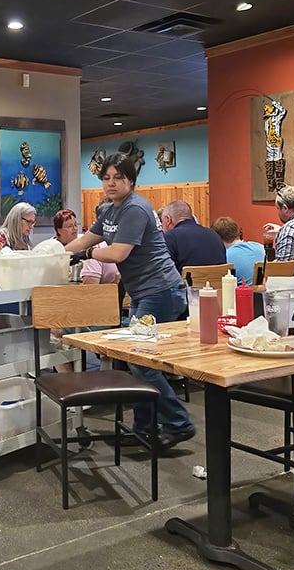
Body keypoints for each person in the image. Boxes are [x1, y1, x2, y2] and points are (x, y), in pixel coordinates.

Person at [64, 153, 195, 450]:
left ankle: (178, 423)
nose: (111, 183)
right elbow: (86, 239)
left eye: (118, 177)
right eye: (106, 178)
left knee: (142, 362)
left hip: (160, 291)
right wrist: (53, 253)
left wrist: (84, 256)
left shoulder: (135, 208)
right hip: (142, 292)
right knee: (139, 358)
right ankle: (144, 427)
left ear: (131, 180)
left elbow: (117, 253)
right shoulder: (111, 210)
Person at [160, 200, 227, 273]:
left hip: (188, 283)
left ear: (168, 220)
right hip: (217, 283)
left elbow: (165, 274)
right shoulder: (214, 235)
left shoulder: (170, 237)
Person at [211, 216, 264, 285]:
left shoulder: (223, 257)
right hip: (264, 292)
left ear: (216, 237)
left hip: (238, 294)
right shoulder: (260, 247)